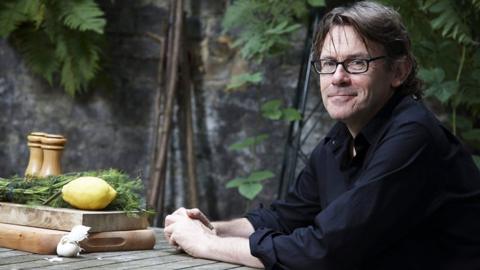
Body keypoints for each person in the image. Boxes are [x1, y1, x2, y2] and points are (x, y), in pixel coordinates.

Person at [164, 1, 480, 269]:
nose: (338, 77)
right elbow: (286, 218)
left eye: (357, 62)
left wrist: (208, 246)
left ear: (398, 71)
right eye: (329, 63)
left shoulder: (413, 136)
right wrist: (210, 228)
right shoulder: (341, 139)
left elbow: (325, 251)